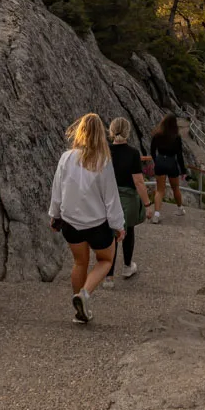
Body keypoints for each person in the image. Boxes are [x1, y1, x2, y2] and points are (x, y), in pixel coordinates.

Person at [49, 113, 125, 324]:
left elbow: (58, 190)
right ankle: (85, 294)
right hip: (97, 225)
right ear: (101, 134)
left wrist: (54, 216)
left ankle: (79, 311)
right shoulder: (103, 161)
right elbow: (111, 197)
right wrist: (119, 226)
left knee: (79, 262)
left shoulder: (66, 157)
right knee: (105, 260)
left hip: (70, 222)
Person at [104, 117, 153, 289]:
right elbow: (139, 182)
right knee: (128, 230)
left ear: (111, 131)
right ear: (127, 132)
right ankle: (127, 267)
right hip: (128, 197)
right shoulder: (133, 153)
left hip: (109, 197)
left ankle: (108, 276)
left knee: (111, 234)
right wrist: (147, 205)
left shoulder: (105, 151)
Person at [150, 112, 188, 223]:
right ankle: (180, 208)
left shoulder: (157, 135)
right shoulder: (176, 137)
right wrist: (183, 171)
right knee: (175, 188)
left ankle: (156, 215)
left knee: (160, 190)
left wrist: (156, 161)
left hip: (160, 161)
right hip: (172, 163)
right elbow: (179, 155)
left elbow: (152, 151)